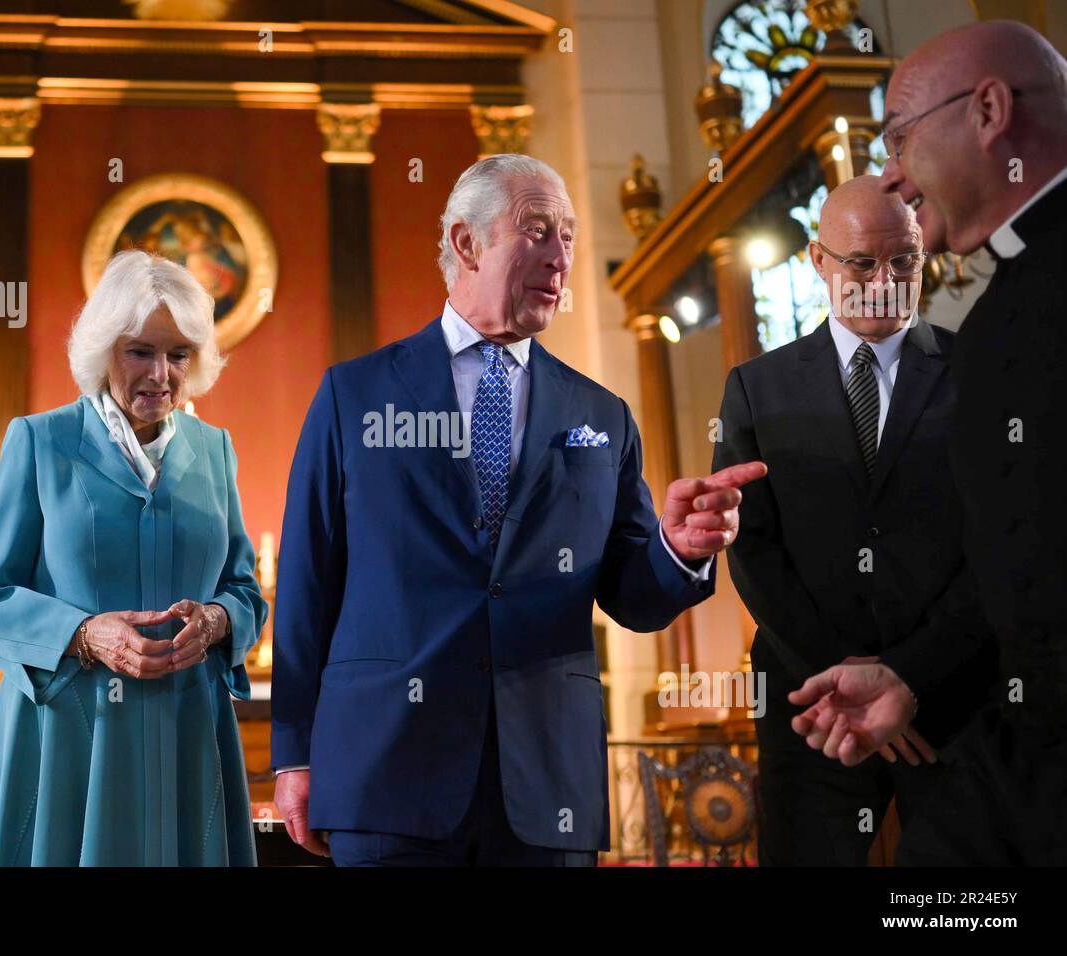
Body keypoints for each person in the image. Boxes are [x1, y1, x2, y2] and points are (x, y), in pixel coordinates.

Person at [271, 154, 764, 866]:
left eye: (568, 236)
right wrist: (294, 755)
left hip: (546, 783)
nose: (561, 256)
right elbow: (307, 583)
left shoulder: (604, 415)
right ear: (466, 242)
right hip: (387, 770)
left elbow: (632, 593)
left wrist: (678, 547)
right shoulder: (353, 396)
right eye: (538, 231)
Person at [789, 20, 1067, 864]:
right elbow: (1017, 557)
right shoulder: (987, 325)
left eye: (901, 138)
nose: (892, 175)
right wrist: (915, 671)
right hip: (1020, 761)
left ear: (989, 111)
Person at [712, 175, 995, 865]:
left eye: (903, 260)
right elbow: (753, 549)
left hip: (956, 698)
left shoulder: (981, 373)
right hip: (808, 701)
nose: (885, 280)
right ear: (817, 260)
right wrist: (843, 681)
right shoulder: (757, 388)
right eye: (861, 263)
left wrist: (907, 676)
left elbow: (998, 542)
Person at [0, 249, 268, 865]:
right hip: (67, 734)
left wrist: (219, 620)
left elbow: (245, 588)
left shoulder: (215, 451)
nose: (161, 373)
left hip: (188, 729)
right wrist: (83, 632)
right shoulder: (40, 441)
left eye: (178, 354)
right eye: (140, 352)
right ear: (104, 353)